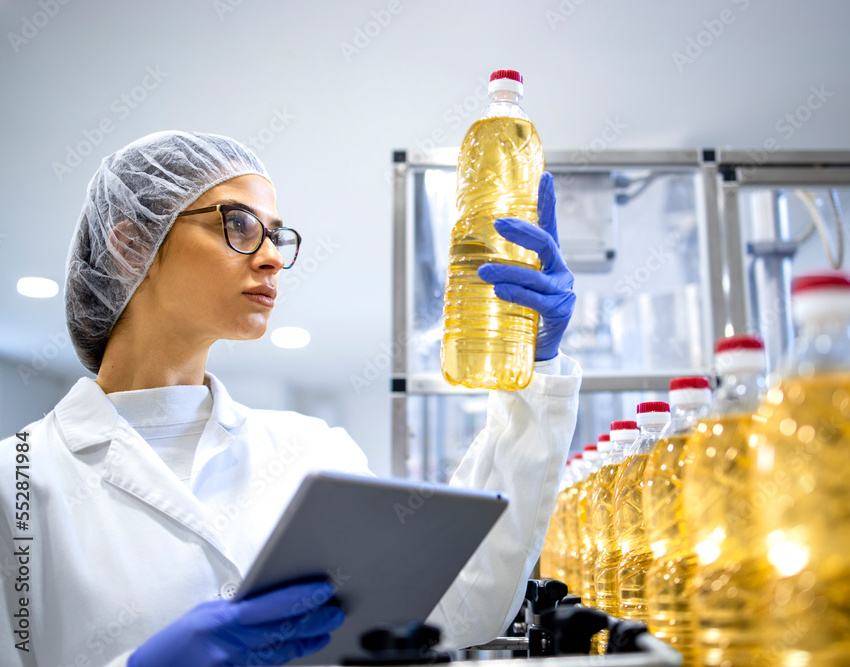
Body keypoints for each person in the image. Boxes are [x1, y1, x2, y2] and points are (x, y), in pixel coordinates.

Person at [0, 131, 581, 666]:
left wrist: (536, 367)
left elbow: (455, 608)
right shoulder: (18, 483)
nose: (273, 256)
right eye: (240, 225)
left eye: (276, 234)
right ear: (130, 244)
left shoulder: (310, 451)